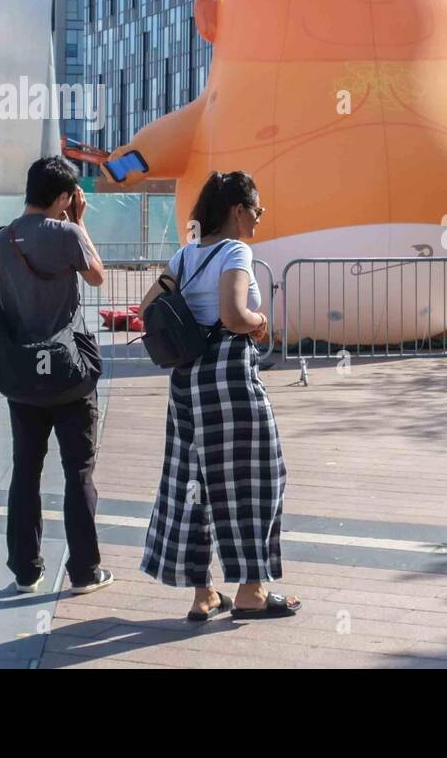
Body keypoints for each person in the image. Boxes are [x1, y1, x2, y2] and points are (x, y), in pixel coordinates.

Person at [138, 171, 298, 623]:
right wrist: (259, 318)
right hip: (227, 376)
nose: (259, 219)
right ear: (237, 211)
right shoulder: (235, 251)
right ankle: (251, 589)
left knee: (191, 483)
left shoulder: (186, 255)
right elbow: (232, 315)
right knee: (259, 474)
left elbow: (148, 308)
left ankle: (202, 594)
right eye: (257, 210)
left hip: (186, 378)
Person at [0, 157, 113, 594]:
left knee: (26, 470)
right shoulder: (67, 234)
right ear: (64, 198)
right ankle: (84, 572)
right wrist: (79, 225)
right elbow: (98, 277)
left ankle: (26, 571)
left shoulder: (1, 240)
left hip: (22, 373)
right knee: (77, 470)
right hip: (68, 373)